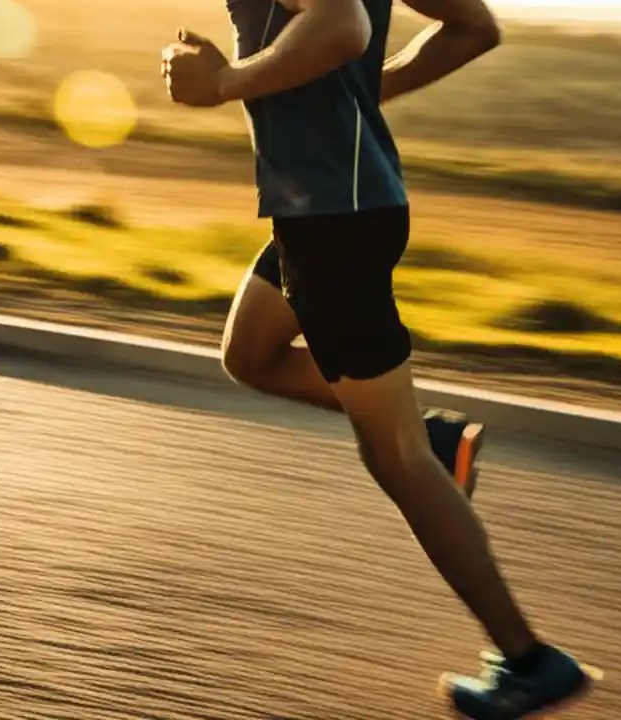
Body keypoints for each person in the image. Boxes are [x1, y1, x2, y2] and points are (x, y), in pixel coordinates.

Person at [160, 0, 592, 716]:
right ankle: (434, 439)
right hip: (337, 210)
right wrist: (361, 86)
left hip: (335, 221)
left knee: (394, 457)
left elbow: (343, 27)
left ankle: (530, 659)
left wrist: (226, 83)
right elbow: (474, 26)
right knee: (250, 352)